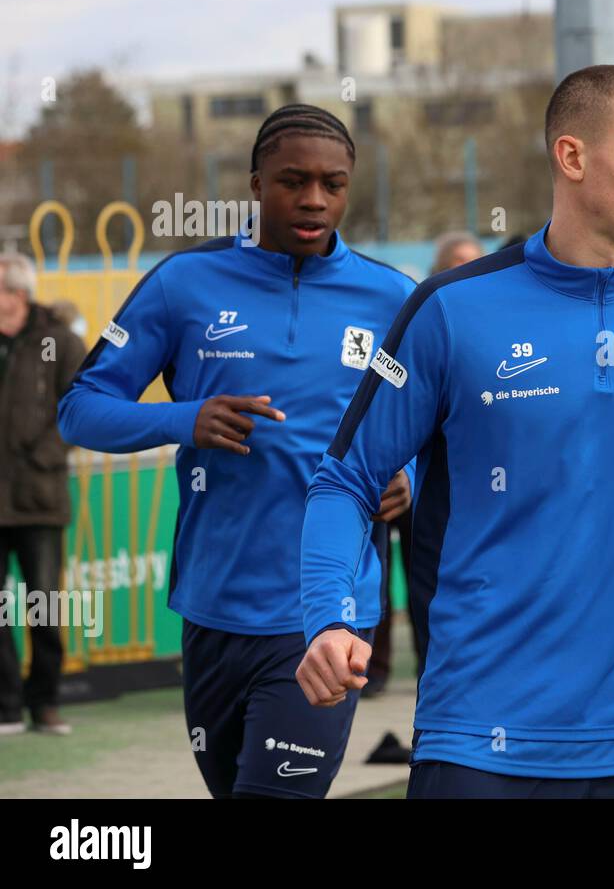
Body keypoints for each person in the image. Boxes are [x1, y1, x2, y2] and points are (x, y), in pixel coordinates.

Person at [296, 65, 614, 800]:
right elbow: (345, 479)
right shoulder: (451, 307)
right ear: (571, 157)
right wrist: (330, 616)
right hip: (482, 734)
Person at [58, 105, 415, 798]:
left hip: (327, 613)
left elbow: (445, 430)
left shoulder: (393, 297)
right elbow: (80, 411)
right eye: (293, 181)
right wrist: (185, 420)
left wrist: (413, 478)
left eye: (333, 184)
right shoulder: (183, 284)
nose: (314, 200)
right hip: (214, 611)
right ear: (254, 185)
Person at [370, 230, 486, 699]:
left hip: (439, 484)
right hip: (391, 471)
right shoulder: (416, 314)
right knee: (377, 571)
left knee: (428, 581)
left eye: (474, 262)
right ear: (439, 267)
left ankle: (430, 666)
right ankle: (372, 669)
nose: (466, 271)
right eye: (458, 262)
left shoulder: (485, 325)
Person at [0, 255, 86, 736]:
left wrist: (42, 459)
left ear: (16, 295)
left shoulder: (58, 342)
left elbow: (78, 406)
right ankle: (6, 706)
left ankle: (45, 702)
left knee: (43, 606)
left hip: (39, 497)